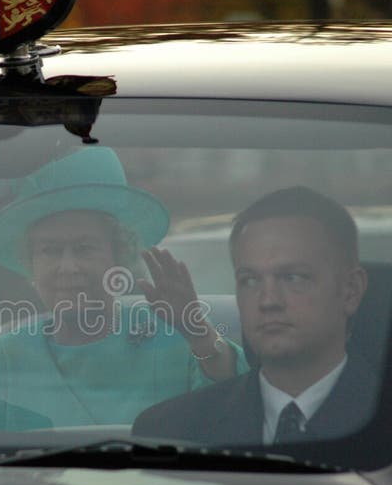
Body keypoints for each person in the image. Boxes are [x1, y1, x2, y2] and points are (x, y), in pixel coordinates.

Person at [0, 147, 247, 430]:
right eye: (49, 250)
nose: (68, 267)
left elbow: (240, 405)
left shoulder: (176, 340)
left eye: (84, 249)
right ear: (31, 263)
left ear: (119, 256)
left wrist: (196, 330)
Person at [133, 186, 377, 445]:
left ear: (351, 291)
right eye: (249, 280)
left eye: (293, 277)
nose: (268, 300)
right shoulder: (167, 432)